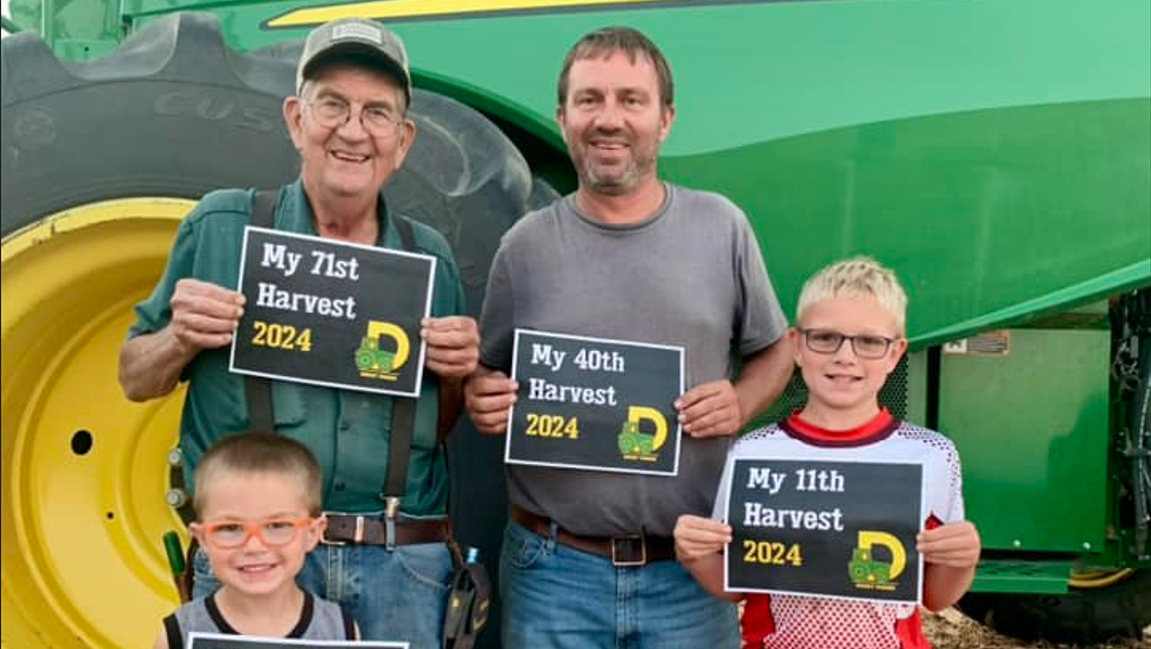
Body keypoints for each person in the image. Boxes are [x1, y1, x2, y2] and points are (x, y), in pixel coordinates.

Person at [120, 17, 479, 648]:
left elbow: (438, 421)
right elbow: (134, 378)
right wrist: (180, 337)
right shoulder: (221, 226)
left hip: (399, 564)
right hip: (258, 562)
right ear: (295, 119)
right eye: (332, 105)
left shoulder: (430, 259)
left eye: (376, 113)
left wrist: (457, 374)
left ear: (403, 140)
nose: (353, 130)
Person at [464, 26, 794, 648]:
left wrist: (741, 401)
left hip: (689, 574)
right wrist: (481, 395)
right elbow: (487, 368)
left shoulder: (721, 227)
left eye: (631, 100)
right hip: (553, 572)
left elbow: (777, 348)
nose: (608, 119)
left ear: (665, 120)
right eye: (589, 100)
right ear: (563, 119)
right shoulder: (525, 246)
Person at [674, 256, 982, 649]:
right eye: (824, 338)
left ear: (895, 353)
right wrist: (695, 554)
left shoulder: (931, 455)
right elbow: (735, 585)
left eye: (869, 341)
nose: (845, 356)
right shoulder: (753, 452)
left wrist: (963, 560)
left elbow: (936, 596)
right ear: (796, 346)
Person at [155, 432, 355, 648]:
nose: (254, 546)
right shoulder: (178, 635)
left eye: (277, 526)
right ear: (202, 538)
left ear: (312, 533)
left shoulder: (341, 630)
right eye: (231, 528)